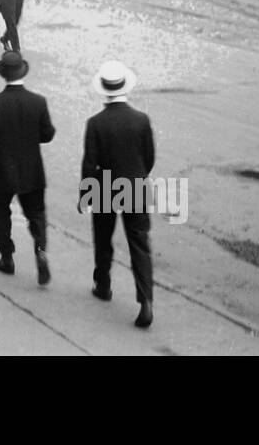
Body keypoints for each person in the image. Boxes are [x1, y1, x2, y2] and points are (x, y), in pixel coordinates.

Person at [80, 60, 154, 328]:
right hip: (134, 184)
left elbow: (89, 162)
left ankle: (103, 283)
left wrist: (86, 194)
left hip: (103, 185)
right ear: (125, 87)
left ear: (105, 90)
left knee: (103, 237)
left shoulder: (95, 123)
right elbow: (149, 157)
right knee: (139, 243)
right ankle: (145, 300)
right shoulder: (141, 120)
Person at [0, 51, 54, 285]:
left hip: (3, 168)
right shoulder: (38, 102)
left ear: (3, 75)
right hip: (32, 168)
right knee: (36, 214)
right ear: (22, 72)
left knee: (0, 213)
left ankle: (7, 256)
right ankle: (41, 253)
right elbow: (47, 134)